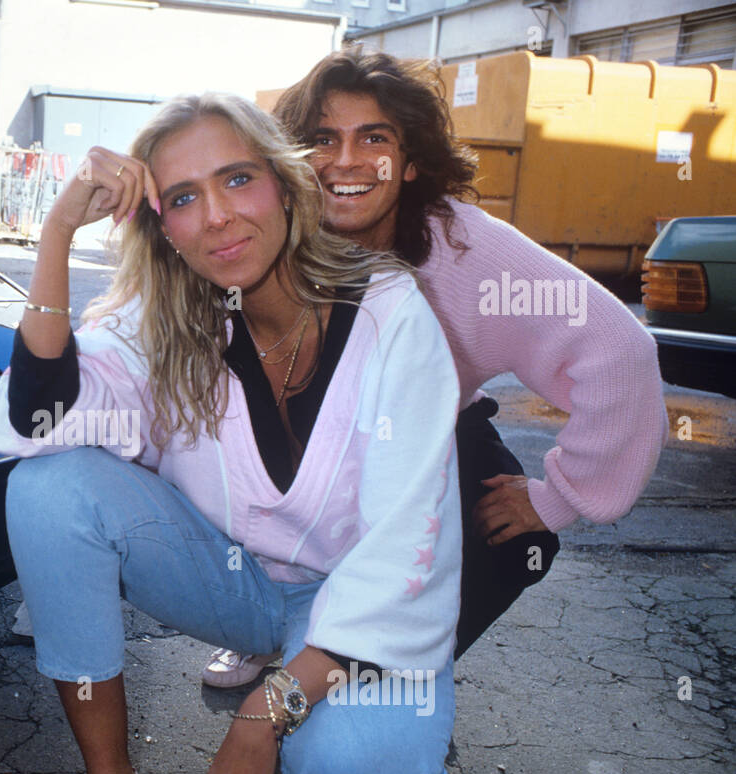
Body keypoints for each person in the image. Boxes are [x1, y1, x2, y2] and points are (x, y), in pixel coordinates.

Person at [0, 92, 464, 774]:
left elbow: (408, 545)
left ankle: (322, 724)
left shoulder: (390, 313)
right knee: (48, 488)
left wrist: (264, 715)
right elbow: (41, 419)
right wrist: (56, 234)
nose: (216, 216)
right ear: (164, 229)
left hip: (356, 601)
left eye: (238, 179)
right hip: (235, 584)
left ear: (285, 186)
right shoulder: (167, 321)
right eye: (183, 198)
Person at [202, 49, 668, 688]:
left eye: (375, 138)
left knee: (515, 545)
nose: (346, 160)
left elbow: (619, 348)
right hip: (288, 438)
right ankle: (265, 629)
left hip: (421, 435)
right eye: (322, 140)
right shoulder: (260, 232)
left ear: (412, 159)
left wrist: (558, 497)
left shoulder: (463, 245)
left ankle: (389, 679)